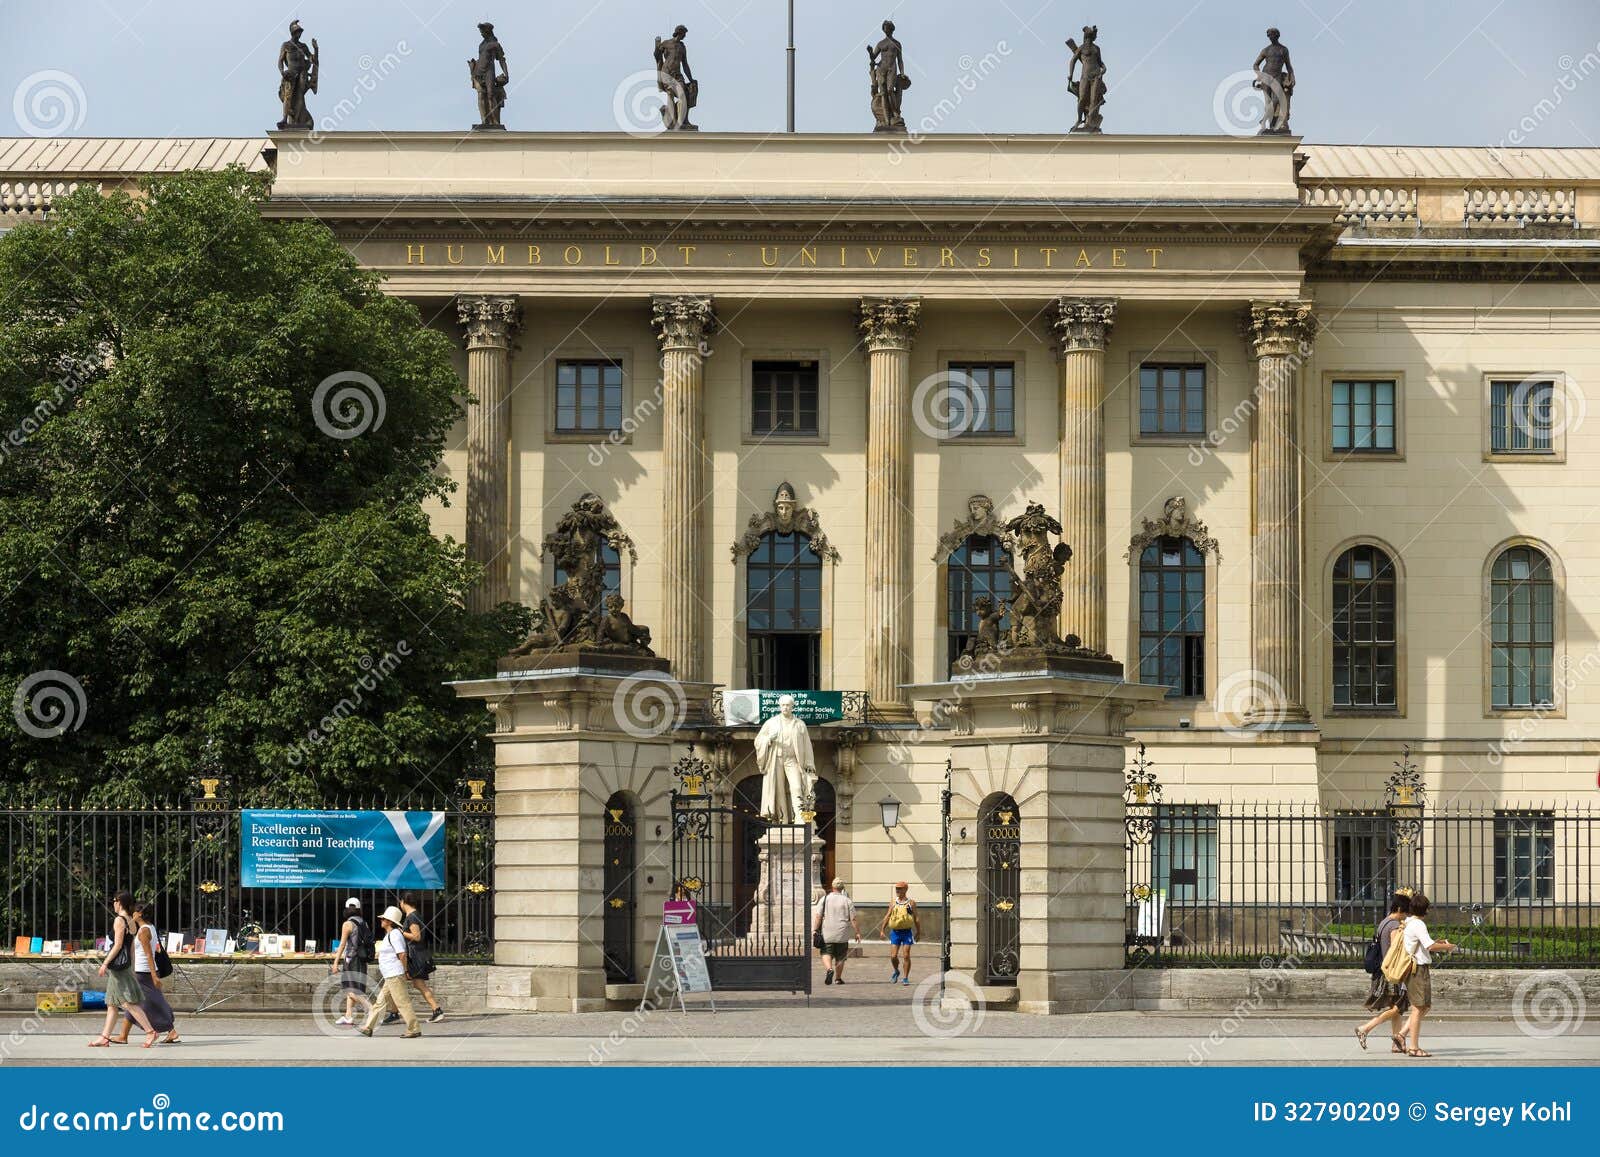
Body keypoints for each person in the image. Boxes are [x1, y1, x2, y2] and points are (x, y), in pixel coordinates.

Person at [89, 891, 157, 1048]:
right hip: (124, 966)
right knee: (112, 1003)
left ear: (119, 902)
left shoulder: (119, 920)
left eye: (114, 900)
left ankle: (150, 1031)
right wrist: (131, 966)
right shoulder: (132, 921)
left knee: (127, 1003)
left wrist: (105, 963)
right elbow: (131, 947)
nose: (113, 903)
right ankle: (104, 1037)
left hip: (118, 968)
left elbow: (118, 945)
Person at [109, 899, 178, 1045]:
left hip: (144, 973)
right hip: (142, 972)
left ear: (139, 913)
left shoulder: (143, 931)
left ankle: (171, 1030)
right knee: (134, 1002)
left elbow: (148, 955)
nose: (131, 913)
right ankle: (123, 1035)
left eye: (134, 911)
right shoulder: (149, 927)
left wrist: (154, 976)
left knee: (141, 1003)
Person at [1400, 892, 1457, 1058]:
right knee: (1419, 1008)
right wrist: (1448, 947)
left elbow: (1424, 944)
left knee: (1425, 1006)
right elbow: (1429, 946)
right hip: (1418, 968)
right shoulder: (1418, 924)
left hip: (1415, 967)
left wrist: (1436, 943)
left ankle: (1401, 1034)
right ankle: (1413, 1047)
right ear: (1425, 910)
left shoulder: (1409, 922)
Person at [1354, 890, 1411, 1053]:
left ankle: (1396, 1043)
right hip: (1393, 973)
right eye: (1405, 912)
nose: (1406, 916)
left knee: (1396, 1008)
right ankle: (1365, 1028)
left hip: (1384, 972)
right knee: (1398, 1007)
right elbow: (1395, 951)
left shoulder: (1384, 921)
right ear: (1400, 909)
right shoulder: (1394, 926)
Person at [359, 906, 421, 1038]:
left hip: (395, 974)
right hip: (390, 975)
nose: (381, 920)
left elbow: (402, 954)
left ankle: (414, 1028)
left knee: (402, 1002)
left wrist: (405, 971)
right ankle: (368, 1027)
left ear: (390, 921)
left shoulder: (394, 935)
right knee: (380, 1002)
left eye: (384, 918)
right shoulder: (391, 934)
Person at [391, 895, 443, 1023]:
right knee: (415, 984)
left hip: (415, 956)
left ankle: (436, 1010)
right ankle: (394, 1012)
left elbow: (417, 936)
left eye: (400, 902)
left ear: (404, 902)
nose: (400, 905)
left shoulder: (412, 916)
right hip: (415, 955)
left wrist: (401, 932)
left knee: (405, 983)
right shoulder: (414, 915)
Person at [329, 897, 371, 1027]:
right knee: (355, 988)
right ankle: (348, 1016)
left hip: (351, 960)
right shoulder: (364, 922)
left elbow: (342, 945)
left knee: (349, 990)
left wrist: (335, 963)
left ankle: (372, 1010)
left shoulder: (347, 924)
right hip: (362, 960)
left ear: (347, 909)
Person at [812, 877, 862, 986]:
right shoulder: (847, 901)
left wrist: (815, 929)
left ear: (832, 887)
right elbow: (853, 919)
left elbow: (818, 916)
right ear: (842, 888)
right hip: (842, 933)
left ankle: (829, 969)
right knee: (841, 956)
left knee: (826, 952)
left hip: (827, 932)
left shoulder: (824, 899)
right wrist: (857, 932)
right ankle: (838, 979)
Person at [876, 881, 922, 986]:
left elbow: (916, 918)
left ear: (905, 890)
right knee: (893, 956)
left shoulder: (911, 903)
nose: (897, 890)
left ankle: (905, 978)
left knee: (906, 955)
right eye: (896, 888)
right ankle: (896, 971)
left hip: (907, 932)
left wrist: (919, 932)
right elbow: (887, 916)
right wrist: (882, 930)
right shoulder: (893, 902)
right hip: (895, 932)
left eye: (900, 888)